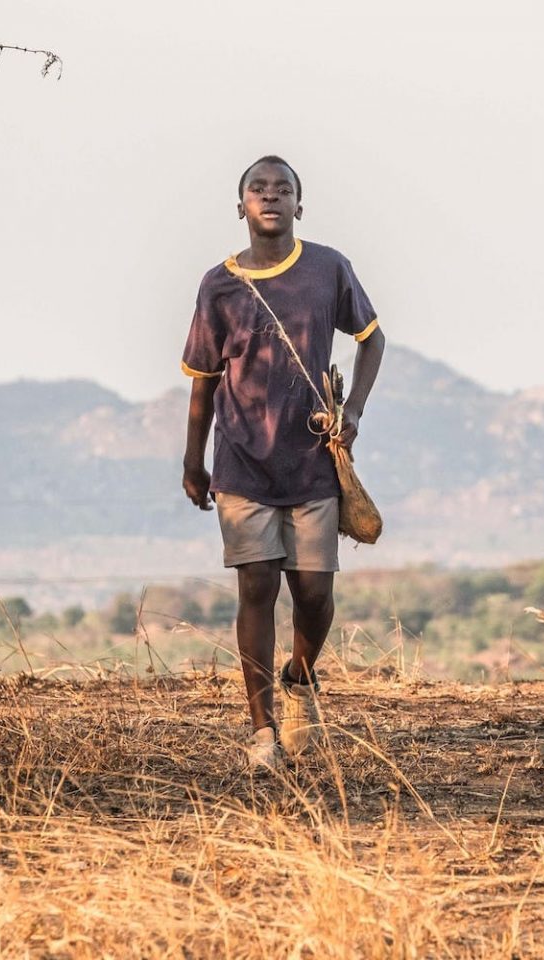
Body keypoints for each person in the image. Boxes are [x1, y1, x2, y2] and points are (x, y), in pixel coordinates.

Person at [180, 155, 386, 772]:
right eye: (258, 189)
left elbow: (371, 339)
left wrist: (355, 413)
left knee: (315, 593)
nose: (270, 197)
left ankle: (300, 678)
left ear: (300, 203)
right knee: (257, 587)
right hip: (241, 460)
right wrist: (194, 461)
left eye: (283, 189)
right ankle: (263, 730)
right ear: (240, 205)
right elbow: (203, 382)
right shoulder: (218, 285)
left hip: (313, 459)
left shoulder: (328, 269)